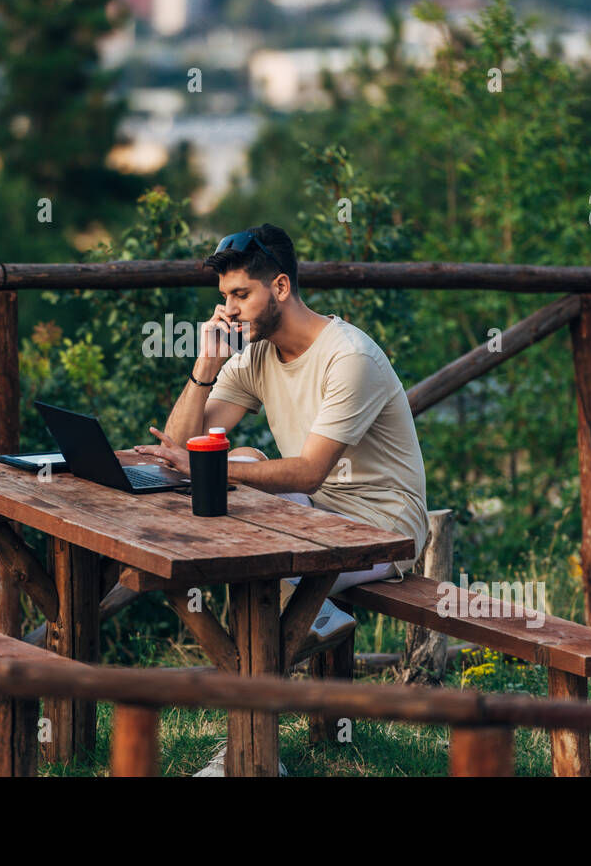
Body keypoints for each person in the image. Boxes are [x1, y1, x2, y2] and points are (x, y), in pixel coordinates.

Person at [132, 223, 430, 774]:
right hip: (312, 520)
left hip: (381, 532)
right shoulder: (254, 355)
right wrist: (205, 367)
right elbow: (178, 445)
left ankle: (245, 754)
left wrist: (212, 470)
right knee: (238, 463)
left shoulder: (349, 356)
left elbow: (311, 473)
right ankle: (300, 650)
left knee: (239, 482)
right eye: (224, 298)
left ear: (283, 288)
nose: (229, 311)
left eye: (241, 295)